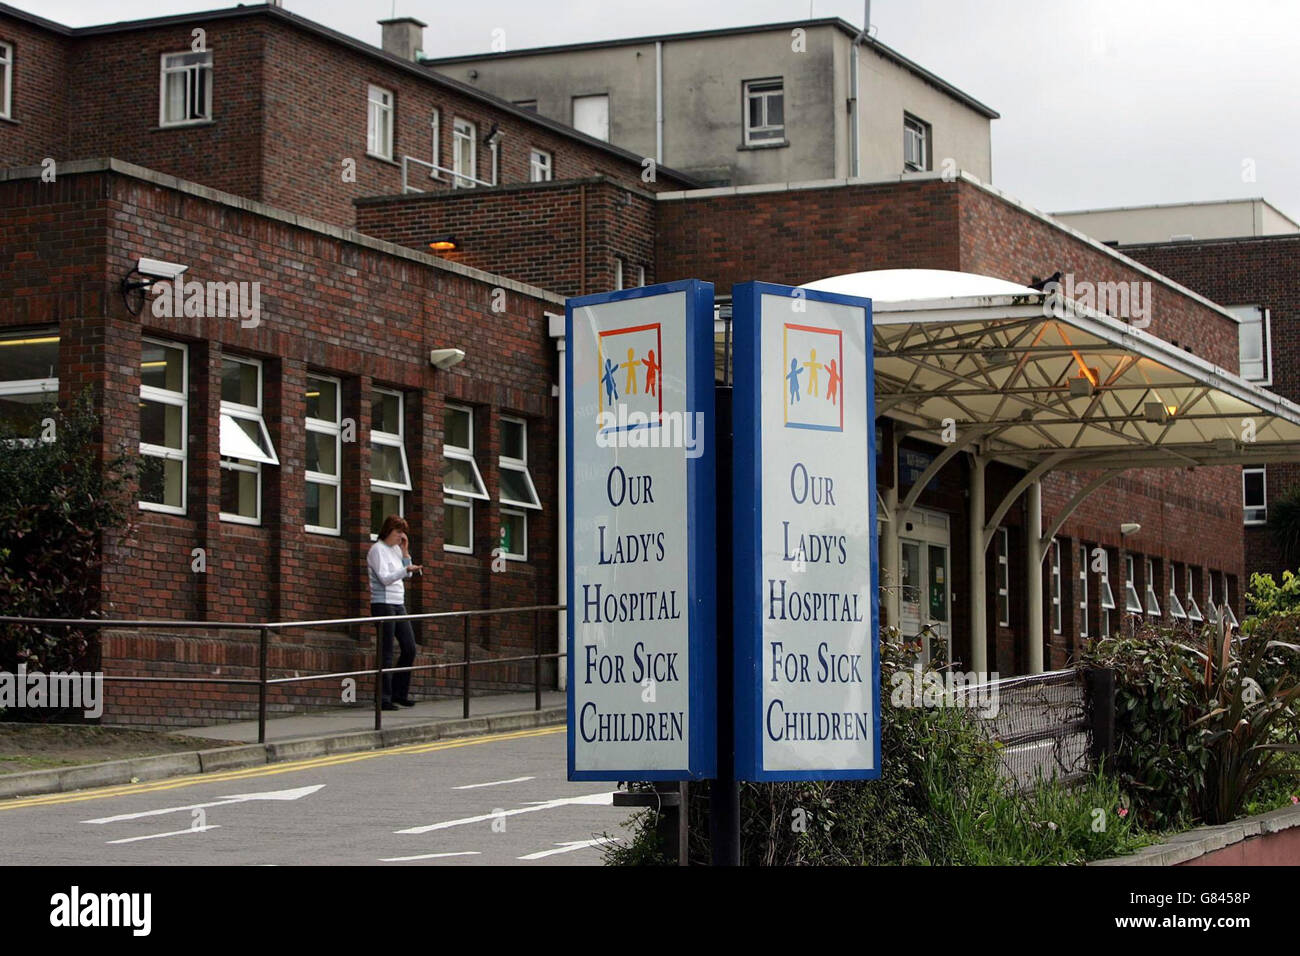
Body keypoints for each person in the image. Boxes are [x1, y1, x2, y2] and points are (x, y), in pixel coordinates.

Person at [368, 515, 422, 710]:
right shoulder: (377, 550)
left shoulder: (397, 549)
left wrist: (406, 553)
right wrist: (405, 568)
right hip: (383, 603)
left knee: (409, 648)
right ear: (388, 531)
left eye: (403, 532)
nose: (401, 536)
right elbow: (384, 578)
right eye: (398, 532)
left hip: (398, 603)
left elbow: (406, 574)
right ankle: (383, 698)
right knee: (387, 652)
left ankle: (400, 693)